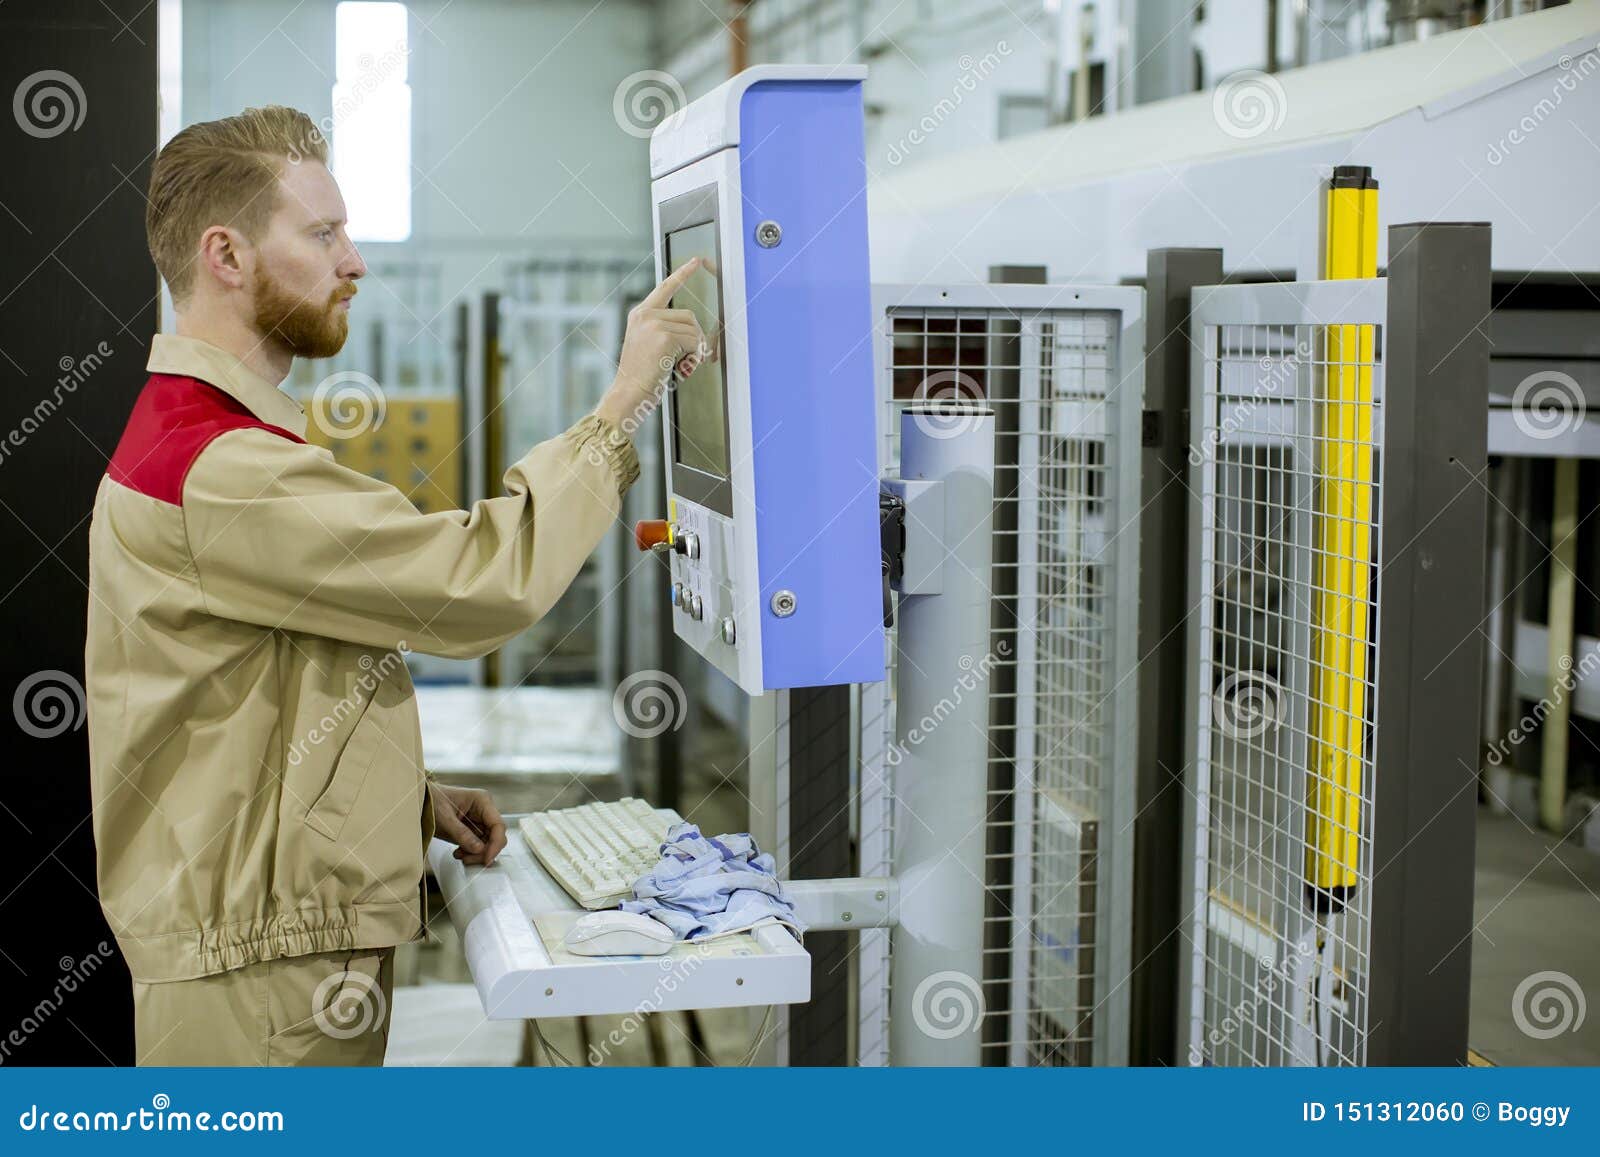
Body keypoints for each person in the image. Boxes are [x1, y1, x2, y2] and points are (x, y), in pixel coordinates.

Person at [84, 105, 705, 1065]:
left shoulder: (192, 435)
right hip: (261, 980)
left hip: (257, 951)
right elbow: (473, 584)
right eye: (323, 233)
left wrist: (407, 799)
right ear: (227, 255)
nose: (356, 261)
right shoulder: (223, 467)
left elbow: (253, 700)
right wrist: (617, 411)